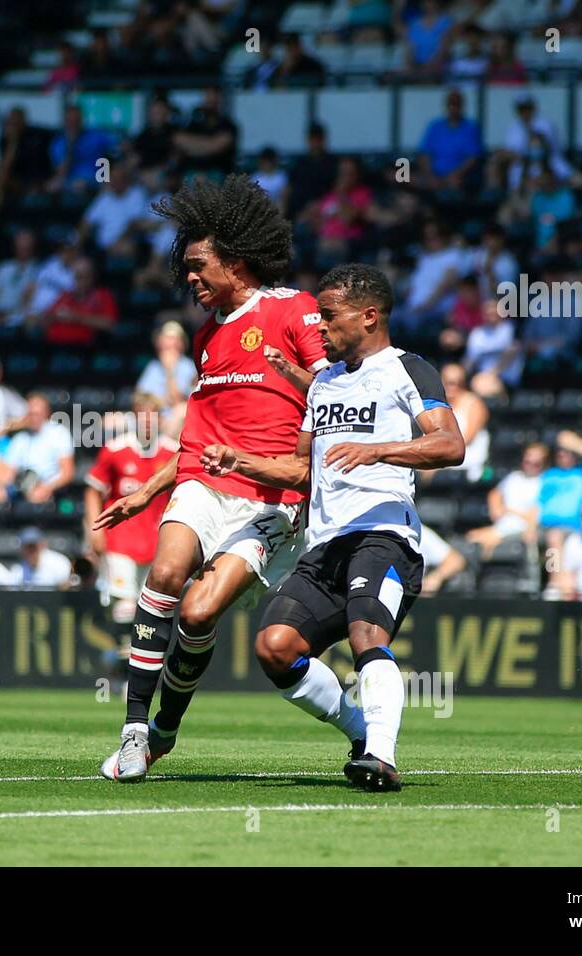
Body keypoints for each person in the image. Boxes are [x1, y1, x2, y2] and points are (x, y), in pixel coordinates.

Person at [92, 174, 329, 782]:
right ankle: (135, 732)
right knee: (165, 574)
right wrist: (145, 492)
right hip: (204, 482)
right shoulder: (206, 338)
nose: (191, 278)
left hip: (274, 498)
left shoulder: (294, 309)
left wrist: (297, 391)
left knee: (198, 616)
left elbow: (338, 395)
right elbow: (199, 438)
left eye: (199, 266)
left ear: (236, 260)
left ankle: (166, 727)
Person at [200, 263, 464, 792]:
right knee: (275, 647)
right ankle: (362, 731)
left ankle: (382, 759)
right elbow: (303, 469)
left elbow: (450, 445)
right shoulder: (321, 384)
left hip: (384, 534)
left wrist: (379, 450)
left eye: (329, 315)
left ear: (368, 316)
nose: (318, 326)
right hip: (324, 545)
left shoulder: (408, 370)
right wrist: (241, 460)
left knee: (368, 634)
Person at [84, 392, 178, 628]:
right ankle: (125, 660)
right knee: (124, 605)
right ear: (134, 417)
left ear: (160, 419)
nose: (148, 421)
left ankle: (140, 659)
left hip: (158, 542)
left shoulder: (173, 453)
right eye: (143, 415)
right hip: (119, 541)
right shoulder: (115, 449)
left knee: (152, 608)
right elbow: (93, 490)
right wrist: (95, 530)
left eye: (153, 416)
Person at [467, 442, 547, 558]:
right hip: (503, 525)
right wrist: (495, 508)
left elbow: (534, 515)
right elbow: (495, 493)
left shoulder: (543, 483)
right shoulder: (514, 477)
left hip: (520, 529)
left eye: (536, 464)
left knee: (484, 542)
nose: (530, 465)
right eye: (527, 461)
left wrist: (509, 511)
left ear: (543, 464)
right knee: (470, 538)